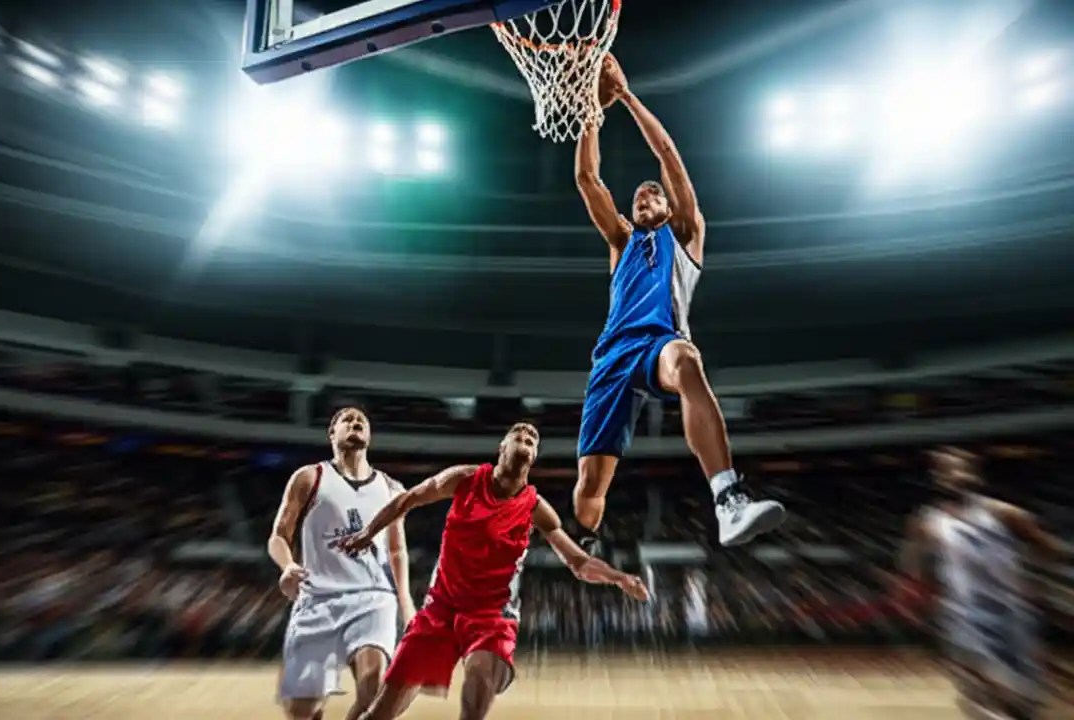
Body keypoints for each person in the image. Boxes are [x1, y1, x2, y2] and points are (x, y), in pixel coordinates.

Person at [571, 53, 785, 547]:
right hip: (611, 356)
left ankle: (728, 499)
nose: (645, 197)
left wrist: (624, 96)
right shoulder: (621, 241)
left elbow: (667, 154)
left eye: (653, 195)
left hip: (659, 344)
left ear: (668, 206)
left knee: (687, 360)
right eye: (638, 197)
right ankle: (581, 548)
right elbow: (588, 179)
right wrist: (589, 111)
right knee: (589, 488)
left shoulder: (685, 233)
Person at [335, 422, 648, 720]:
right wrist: (366, 534)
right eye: (519, 434)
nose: (526, 437)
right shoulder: (464, 479)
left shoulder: (536, 509)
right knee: (378, 714)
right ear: (502, 447)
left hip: (492, 617)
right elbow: (407, 499)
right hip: (441, 609)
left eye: (532, 439)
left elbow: (578, 563)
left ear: (534, 456)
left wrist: (618, 577)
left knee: (477, 688)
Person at [268, 407, 416, 720]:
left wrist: (404, 600)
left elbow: (397, 550)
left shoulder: (391, 489)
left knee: (373, 686)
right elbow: (279, 535)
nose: (355, 421)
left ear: (370, 435)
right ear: (331, 434)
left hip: (372, 596)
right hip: (318, 598)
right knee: (301, 711)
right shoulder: (309, 477)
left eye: (362, 419)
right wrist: (287, 566)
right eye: (345, 419)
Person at [899, 446, 1061, 720]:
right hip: (964, 612)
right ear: (937, 477)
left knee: (1026, 702)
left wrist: (1034, 576)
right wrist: (916, 586)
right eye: (945, 469)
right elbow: (913, 559)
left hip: (1013, 610)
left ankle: (995, 709)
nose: (952, 474)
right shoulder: (929, 521)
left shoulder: (1004, 513)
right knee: (987, 677)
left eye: (959, 467)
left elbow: (1049, 549)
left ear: (975, 474)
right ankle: (987, 700)